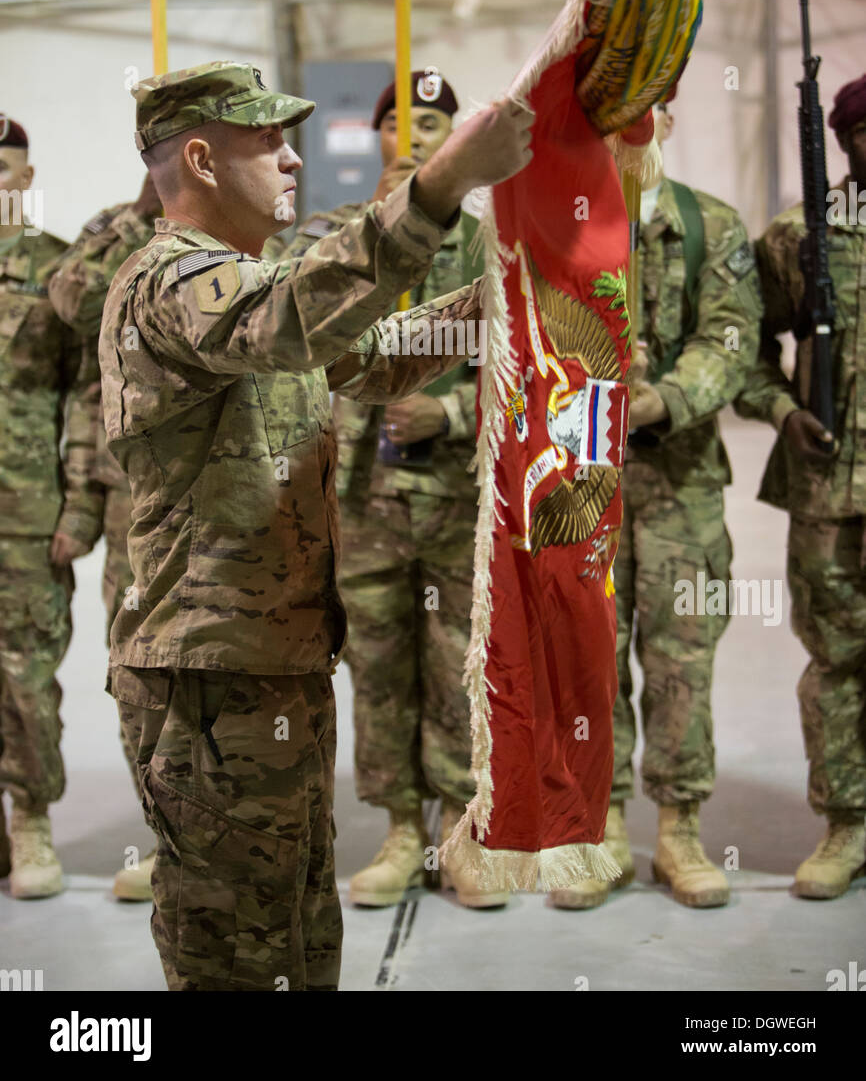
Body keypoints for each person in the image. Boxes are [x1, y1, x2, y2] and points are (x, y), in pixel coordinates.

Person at [97, 60, 532, 990]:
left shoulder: (248, 287)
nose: (296, 162)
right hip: (208, 679)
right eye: (272, 145)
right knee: (236, 954)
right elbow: (292, 320)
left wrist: (500, 295)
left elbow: (375, 356)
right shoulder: (169, 283)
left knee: (295, 935)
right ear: (204, 161)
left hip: (276, 662)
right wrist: (444, 182)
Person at [288, 70, 504, 910]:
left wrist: (449, 411)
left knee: (458, 666)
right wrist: (379, 231)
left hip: (455, 499)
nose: (409, 137)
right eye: (394, 124)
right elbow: (293, 350)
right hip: (364, 498)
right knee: (375, 665)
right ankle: (400, 829)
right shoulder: (328, 238)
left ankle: (463, 832)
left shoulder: (487, 246)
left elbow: (528, 370)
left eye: (432, 124)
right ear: (373, 139)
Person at [550, 100, 762, 911]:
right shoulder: (561, 225)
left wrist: (662, 401)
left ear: (670, 117)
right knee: (590, 660)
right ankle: (601, 828)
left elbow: (732, 340)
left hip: (680, 483)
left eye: (646, 108)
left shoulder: (710, 226)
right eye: (611, 113)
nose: (628, 128)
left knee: (681, 659)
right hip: (583, 485)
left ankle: (680, 829)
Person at [736, 74, 866, 899]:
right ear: (843, 140)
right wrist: (784, 411)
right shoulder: (797, 237)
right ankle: (848, 823)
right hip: (828, 491)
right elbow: (746, 348)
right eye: (862, 131)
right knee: (838, 660)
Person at [49, 173, 163, 900]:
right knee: (138, 673)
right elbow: (73, 302)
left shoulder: (250, 221)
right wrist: (140, 217)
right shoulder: (113, 225)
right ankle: (170, 839)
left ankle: (241, 840)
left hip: (230, 491)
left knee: (229, 669)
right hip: (133, 497)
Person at [0, 116, 94, 898]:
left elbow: (91, 398)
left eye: (2, 170)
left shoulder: (57, 272)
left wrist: (82, 507)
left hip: (25, 513)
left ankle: (30, 822)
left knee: (26, 675)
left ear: (24, 181)